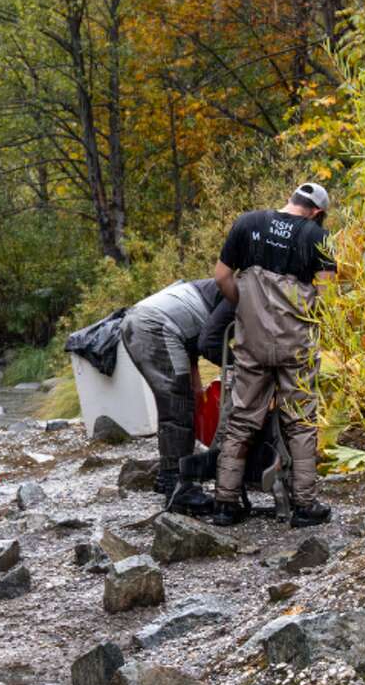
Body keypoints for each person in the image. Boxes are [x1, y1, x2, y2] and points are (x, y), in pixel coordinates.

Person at [209, 183, 337, 529]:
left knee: (242, 419)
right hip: (297, 343)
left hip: (251, 341)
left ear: (292, 200)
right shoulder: (317, 237)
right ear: (317, 212)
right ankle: (304, 506)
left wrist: (247, 308)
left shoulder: (247, 223)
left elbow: (221, 276)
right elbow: (326, 297)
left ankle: (225, 503)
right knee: (300, 419)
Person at [116, 277, 235, 503]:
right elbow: (209, 342)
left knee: (180, 401)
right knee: (177, 405)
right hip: (154, 325)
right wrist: (242, 366)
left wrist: (196, 382)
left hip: (146, 321)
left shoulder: (224, 287)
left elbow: (191, 334)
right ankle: (178, 485)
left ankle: (169, 475)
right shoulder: (240, 293)